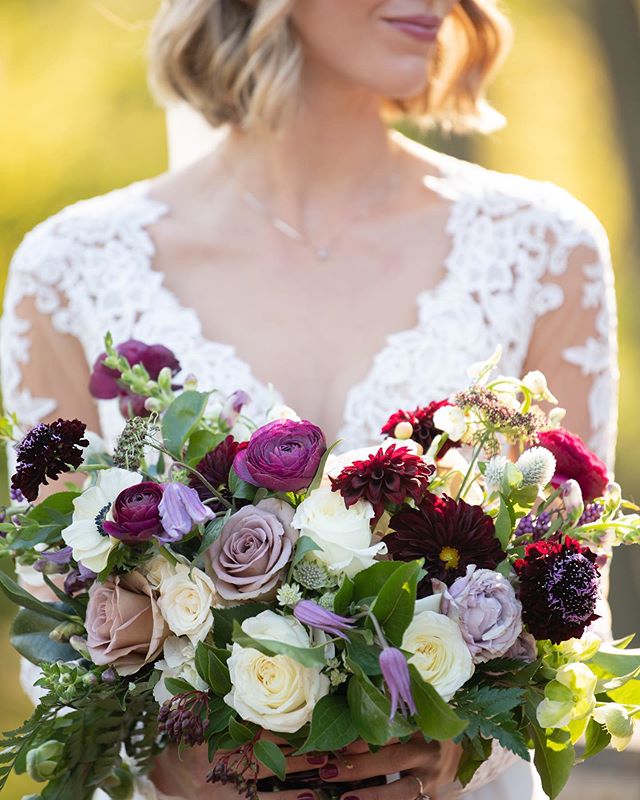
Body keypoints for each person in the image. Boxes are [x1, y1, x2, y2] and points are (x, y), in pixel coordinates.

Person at [1, 1, 618, 799]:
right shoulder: (73, 266)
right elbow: (49, 614)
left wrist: (465, 752)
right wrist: (166, 755)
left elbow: (574, 606)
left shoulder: (544, 247)